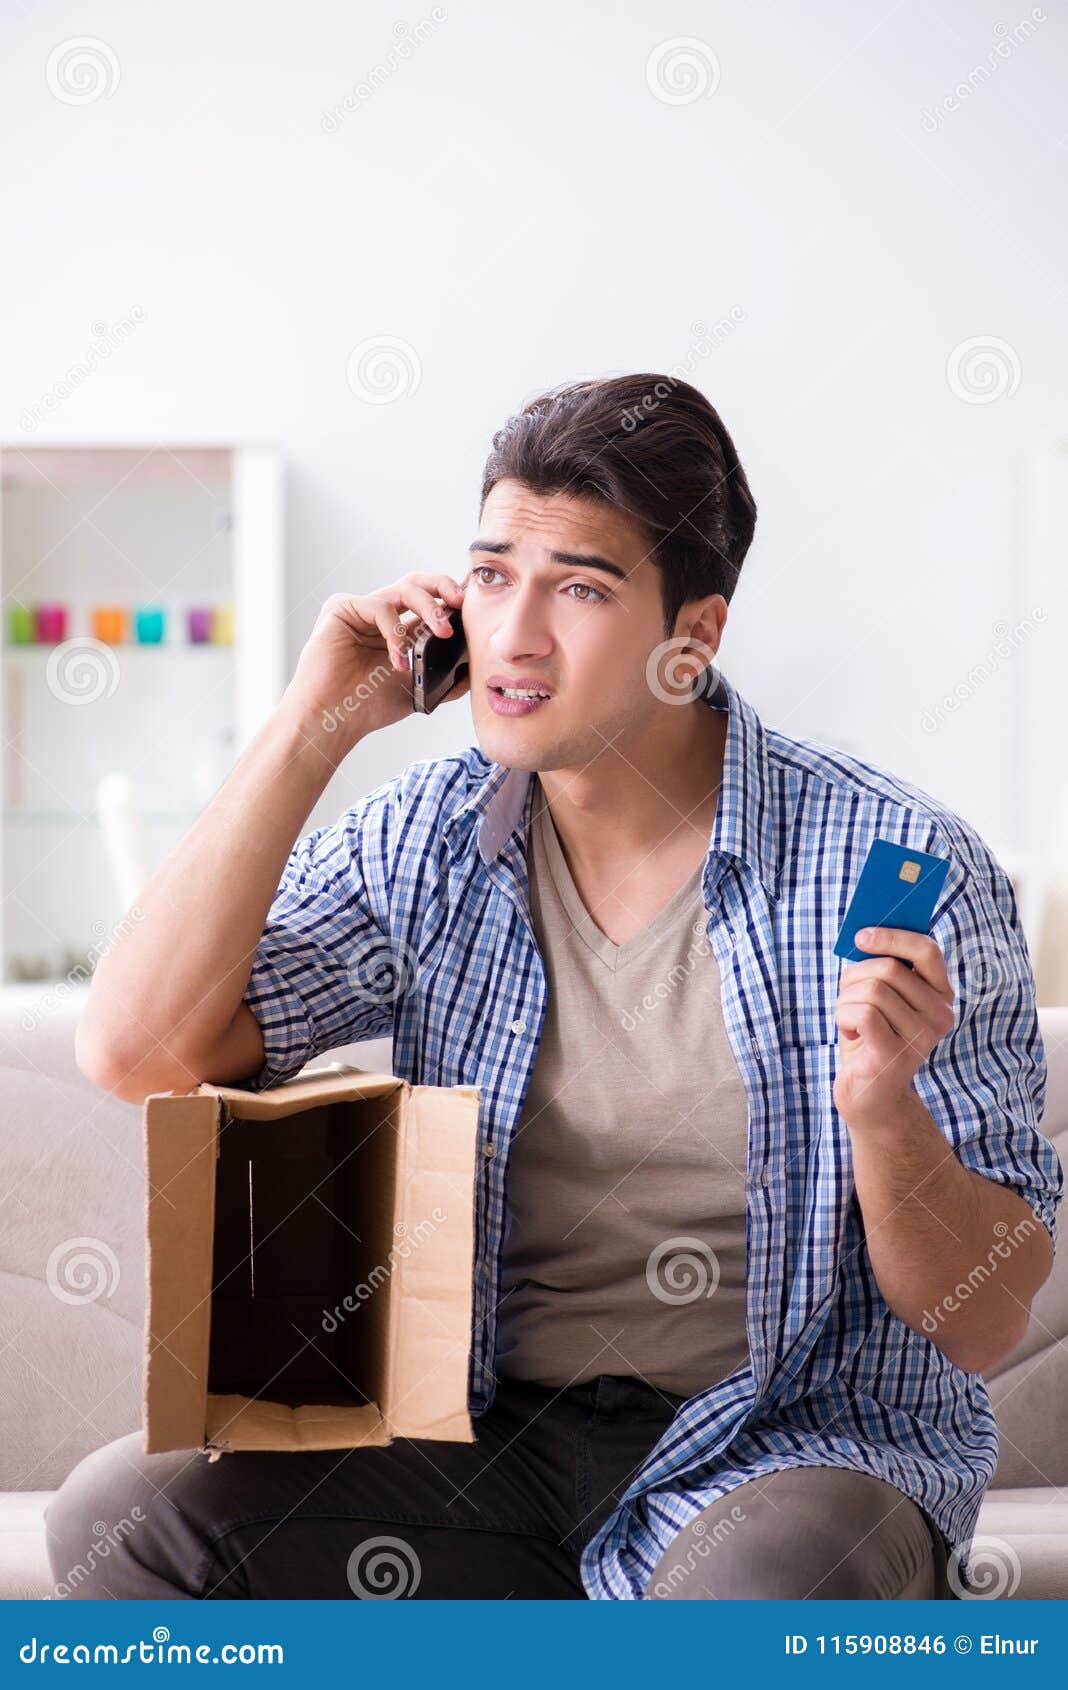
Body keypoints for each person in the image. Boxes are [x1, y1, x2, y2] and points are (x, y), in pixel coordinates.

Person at [48, 375, 1062, 1600]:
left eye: (579, 588)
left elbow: (980, 1319)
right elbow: (136, 1050)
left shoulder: (896, 866)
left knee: (765, 1587)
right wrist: (318, 717)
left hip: (783, 1448)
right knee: (126, 1515)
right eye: (490, 576)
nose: (514, 634)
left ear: (695, 636)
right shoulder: (423, 841)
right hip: (484, 1451)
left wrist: (884, 1112)